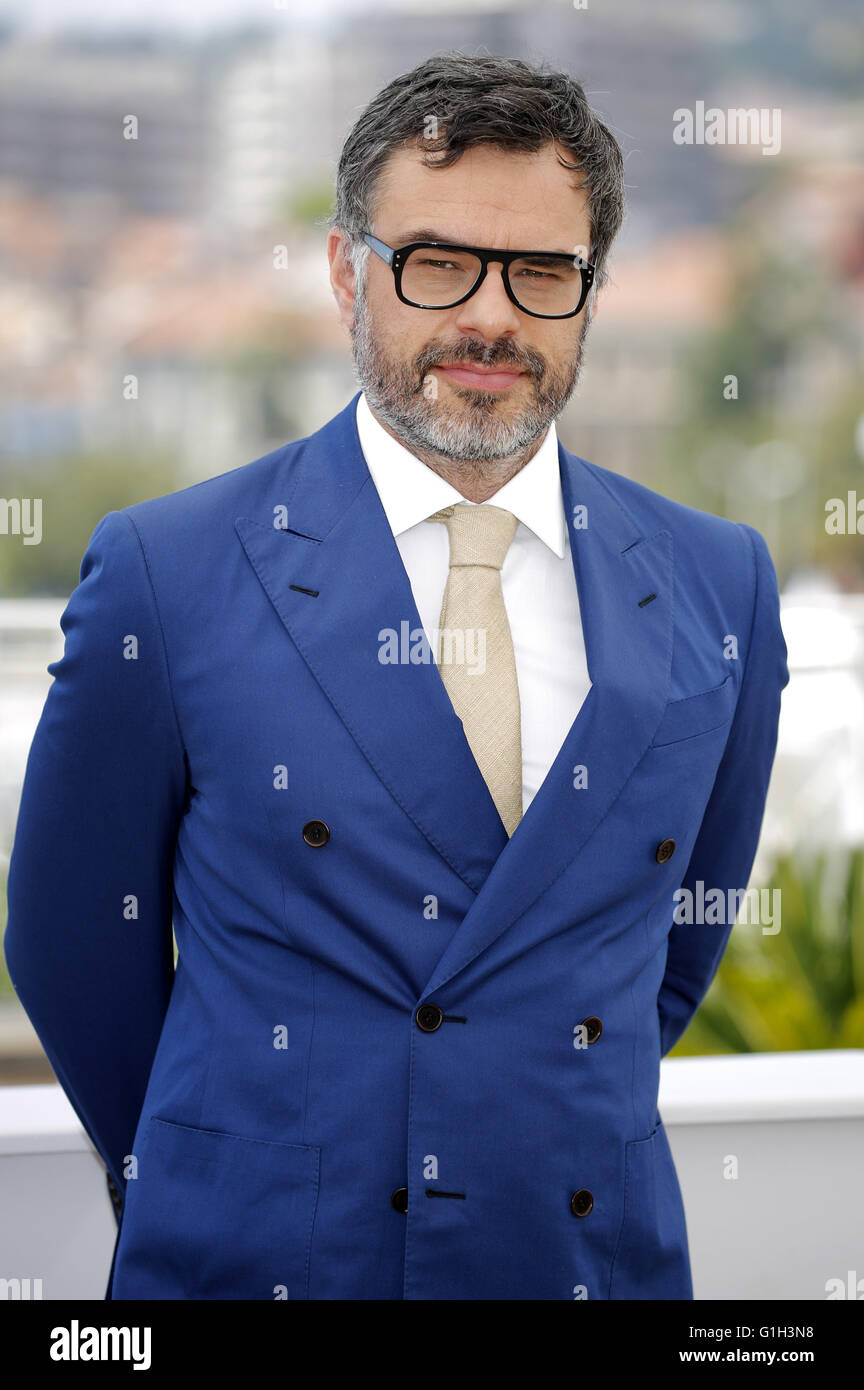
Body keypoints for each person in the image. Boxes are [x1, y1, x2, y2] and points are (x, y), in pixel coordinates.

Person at [4, 52, 788, 1301]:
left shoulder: (720, 582)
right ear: (342, 271)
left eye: (542, 270)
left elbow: (670, 950)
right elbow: (67, 942)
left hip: (585, 1265)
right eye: (436, 261)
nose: (490, 316)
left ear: (592, 294)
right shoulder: (170, 569)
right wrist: (217, 1167)